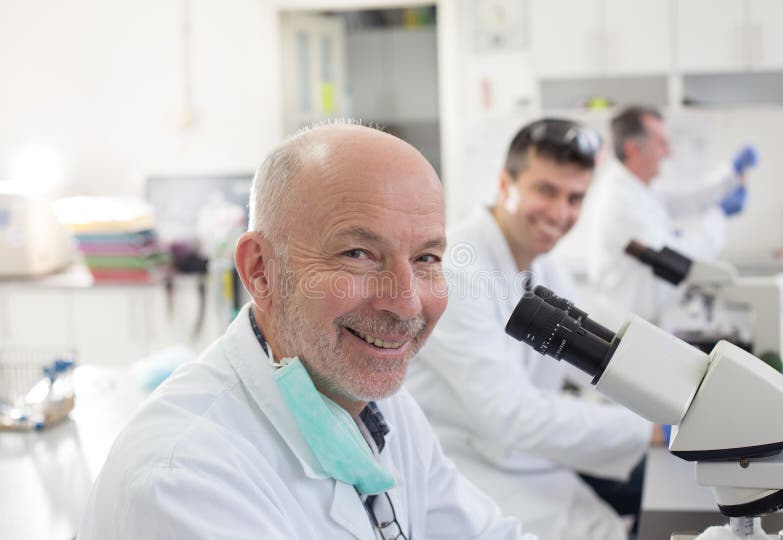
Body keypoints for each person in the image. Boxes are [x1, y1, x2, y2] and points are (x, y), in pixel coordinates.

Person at [78, 124, 537, 539]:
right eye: (358, 253)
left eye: (426, 259)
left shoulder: (384, 408)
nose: (406, 302)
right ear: (260, 271)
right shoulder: (183, 480)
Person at [405, 118, 654, 540]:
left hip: (522, 461)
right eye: (546, 191)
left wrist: (673, 394)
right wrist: (651, 430)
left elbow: (595, 359)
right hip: (468, 472)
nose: (560, 213)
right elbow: (513, 415)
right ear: (506, 184)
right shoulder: (457, 267)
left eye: (575, 198)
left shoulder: (545, 267)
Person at [586, 105, 759, 324]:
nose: (668, 153)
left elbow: (684, 198)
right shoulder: (619, 202)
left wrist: (731, 175)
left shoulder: (639, 187)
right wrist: (719, 215)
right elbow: (684, 261)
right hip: (625, 327)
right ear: (633, 149)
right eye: (661, 144)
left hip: (643, 321)